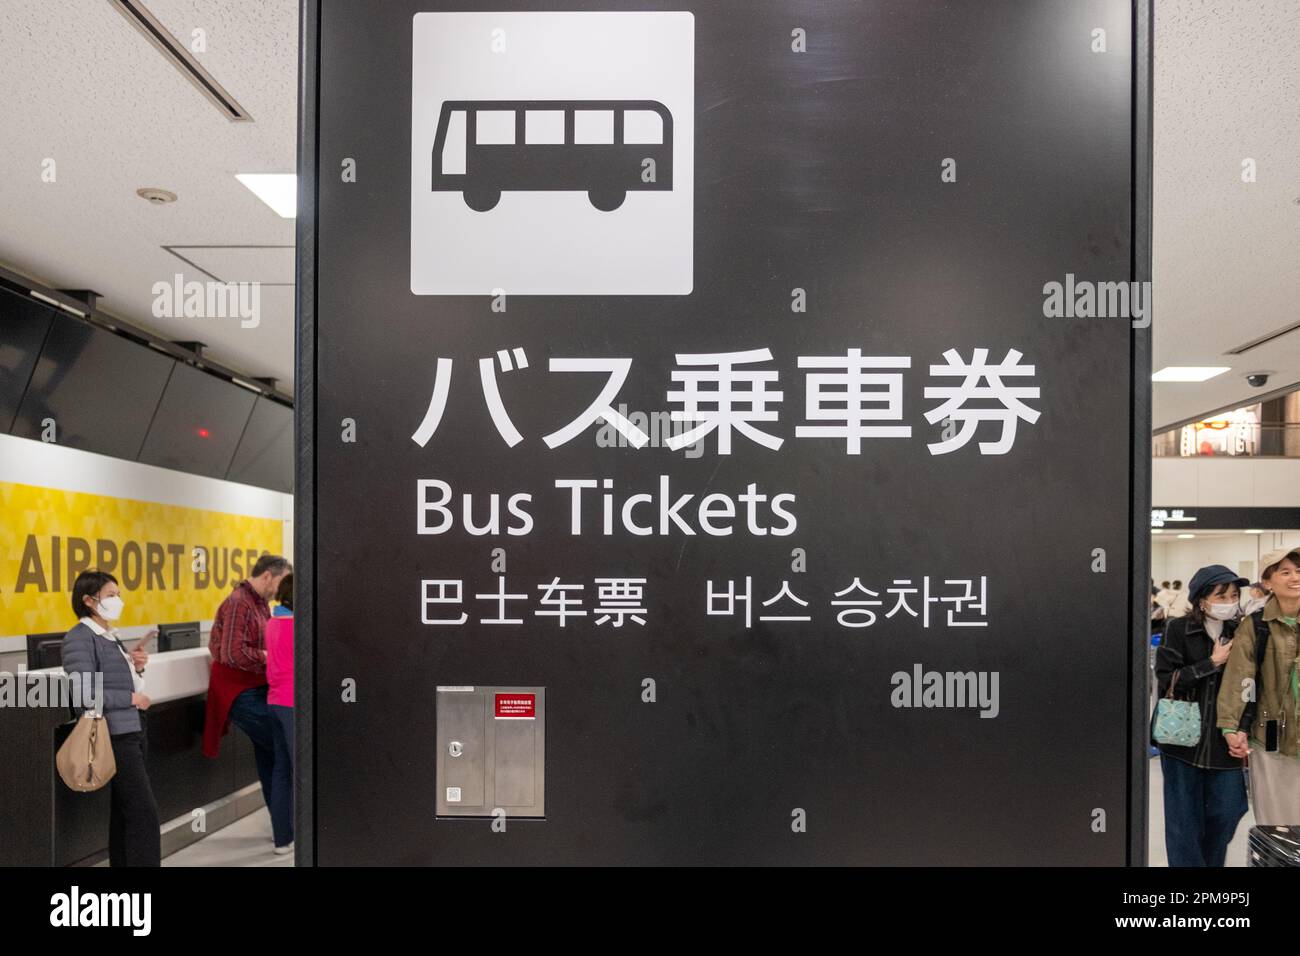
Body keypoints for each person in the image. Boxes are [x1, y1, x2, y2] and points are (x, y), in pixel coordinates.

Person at [61, 570, 161, 866]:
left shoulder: (109, 636)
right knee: (143, 813)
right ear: (89, 601)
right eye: (110, 595)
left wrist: (136, 667)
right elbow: (83, 694)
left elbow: (124, 683)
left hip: (131, 729)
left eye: (118, 594)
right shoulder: (79, 638)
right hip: (114, 735)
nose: (117, 600)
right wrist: (130, 699)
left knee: (124, 813)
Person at [1153, 565, 1249, 866]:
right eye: (1221, 595)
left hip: (1224, 740)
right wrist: (1211, 662)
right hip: (1182, 739)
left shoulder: (1243, 631)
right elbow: (1167, 678)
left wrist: (1242, 728)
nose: (1229, 601)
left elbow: (1249, 687)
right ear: (1201, 599)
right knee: (1184, 821)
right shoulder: (1178, 629)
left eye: (1233, 595)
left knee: (1228, 810)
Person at [202, 554, 292, 852]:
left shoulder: (259, 604)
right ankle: (286, 829)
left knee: (271, 757)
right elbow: (232, 653)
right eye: (282, 582)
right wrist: (269, 657)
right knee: (283, 755)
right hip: (241, 694)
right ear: (268, 576)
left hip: (257, 689)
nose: (284, 590)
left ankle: (283, 827)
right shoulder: (240, 602)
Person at [1218, 548, 1300, 825]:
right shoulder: (1255, 625)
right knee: (1277, 823)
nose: (1294, 578)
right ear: (1267, 582)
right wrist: (1231, 727)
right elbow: (1241, 678)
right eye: (1285, 572)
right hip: (1271, 736)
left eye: (1299, 571)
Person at [265, 573, 295, 855]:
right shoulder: (298, 627)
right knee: (302, 770)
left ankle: (282, 838)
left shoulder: (273, 623)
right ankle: (306, 833)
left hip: (274, 701)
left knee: (282, 771)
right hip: (293, 704)